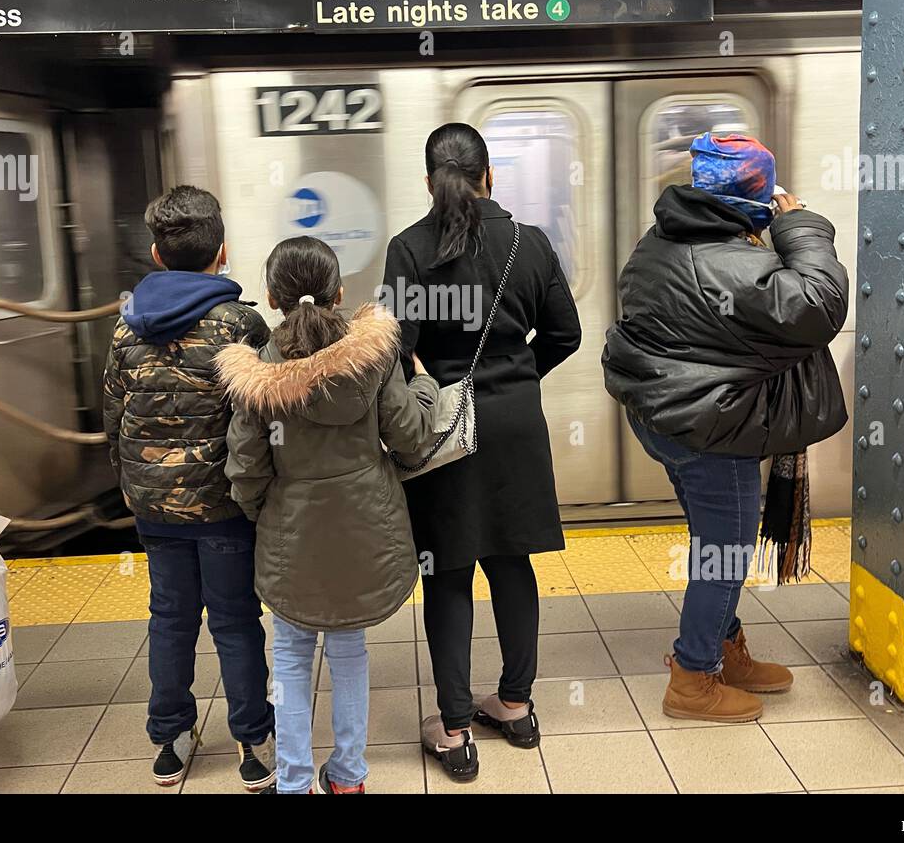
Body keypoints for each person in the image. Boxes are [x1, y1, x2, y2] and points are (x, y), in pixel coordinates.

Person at [603, 132, 849, 722]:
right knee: (726, 555)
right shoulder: (733, 261)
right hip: (714, 431)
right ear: (755, 197)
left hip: (671, 420)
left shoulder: (660, 240)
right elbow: (818, 307)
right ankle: (692, 679)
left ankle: (723, 649)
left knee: (712, 544)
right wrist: (801, 227)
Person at [381, 123, 581, 782]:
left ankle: (457, 730)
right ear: (489, 173)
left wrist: (435, 385)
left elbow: (395, 343)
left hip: (446, 429)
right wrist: (517, 376)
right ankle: (517, 705)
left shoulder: (410, 249)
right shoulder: (530, 241)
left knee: (447, 571)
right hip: (518, 424)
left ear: (428, 179)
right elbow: (565, 333)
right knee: (511, 560)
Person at [218, 236, 438, 795]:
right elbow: (411, 439)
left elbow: (245, 468)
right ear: (339, 294)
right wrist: (427, 385)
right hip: (366, 529)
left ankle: (293, 781)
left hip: (292, 534)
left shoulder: (258, 376)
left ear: (271, 298)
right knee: (349, 652)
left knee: (291, 657)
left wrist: (267, 513)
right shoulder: (374, 358)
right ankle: (348, 775)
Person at [102, 184, 276, 789]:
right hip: (225, 506)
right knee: (234, 620)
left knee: (170, 617)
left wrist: (136, 484)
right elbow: (258, 420)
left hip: (153, 507)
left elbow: (112, 418)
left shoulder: (126, 330)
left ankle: (171, 739)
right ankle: (253, 743)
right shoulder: (240, 325)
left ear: (156, 253)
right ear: (221, 252)